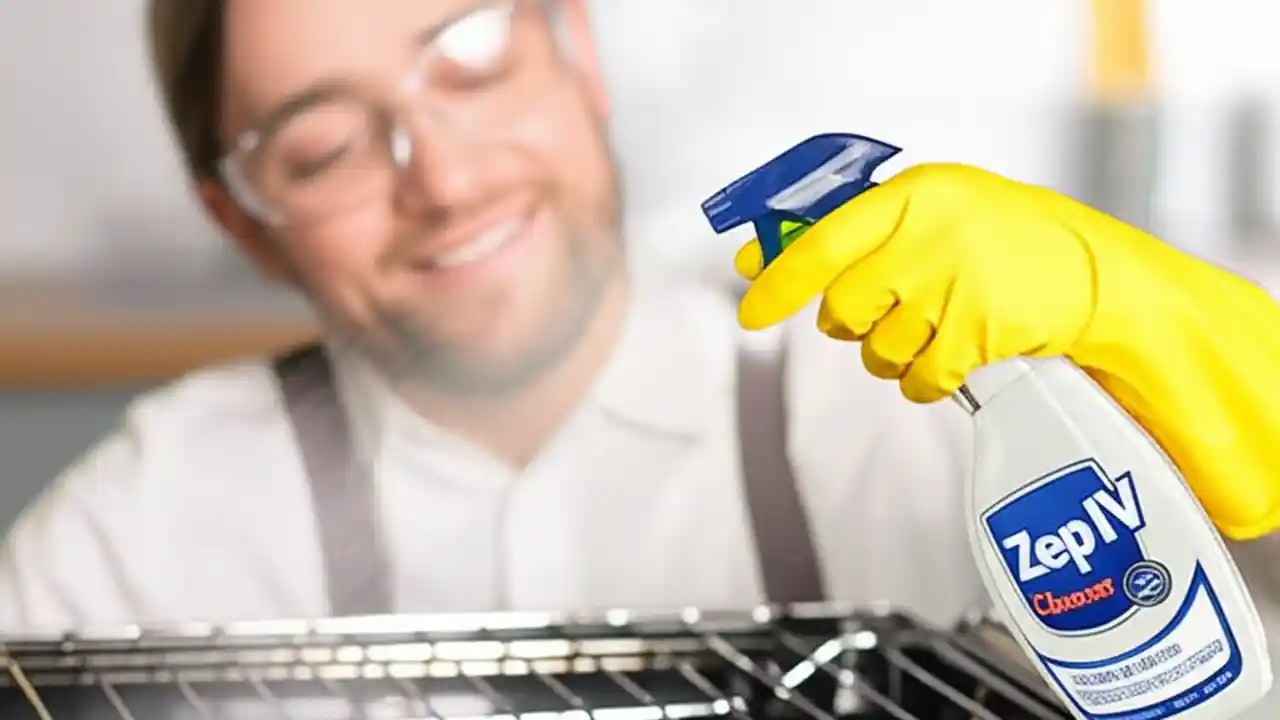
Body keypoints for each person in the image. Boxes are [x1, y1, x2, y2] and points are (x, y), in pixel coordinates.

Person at [0, 0, 1277, 676]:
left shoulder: (905, 417)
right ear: (250, 225)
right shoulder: (135, 541)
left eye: (474, 58)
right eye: (324, 147)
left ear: (580, 55)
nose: (439, 178)